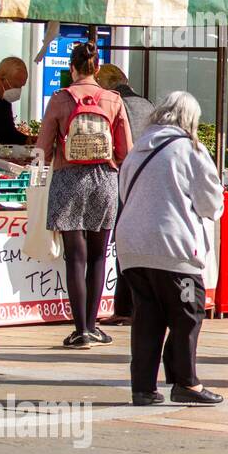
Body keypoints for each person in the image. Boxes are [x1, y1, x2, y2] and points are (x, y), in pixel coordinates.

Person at [116, 92, 225, 406]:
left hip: (132, 246)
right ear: (190, 119)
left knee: (147, 316)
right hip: (174, 247)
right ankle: (186, 383)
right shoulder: (190, 149)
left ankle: (143, 388)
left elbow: (125, 191)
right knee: (187, 313)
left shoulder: (138, 147)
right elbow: (210, 202)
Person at [36, 42, 134, 349]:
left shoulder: (60, 99)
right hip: (104, 180)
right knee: (98, 255)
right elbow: (125, 151)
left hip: (68, 179)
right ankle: (93, 326)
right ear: (97, 68)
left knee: (75, 258)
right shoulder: (113, 99)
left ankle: (79, 329)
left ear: (72, 69)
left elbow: (42, 148)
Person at [96, 63, 155, 328]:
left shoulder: (114, 103)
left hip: (121, 178)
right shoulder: (147, 103)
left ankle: (123, 307)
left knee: (123, 243)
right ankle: (135, 306)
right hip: (147, 181)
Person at [0, 57, 30, 145]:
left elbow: (7, 134)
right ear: (0, 78)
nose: (18, 91)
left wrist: (28, 140)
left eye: (21, 86)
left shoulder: (4, 97)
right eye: (15, 86)